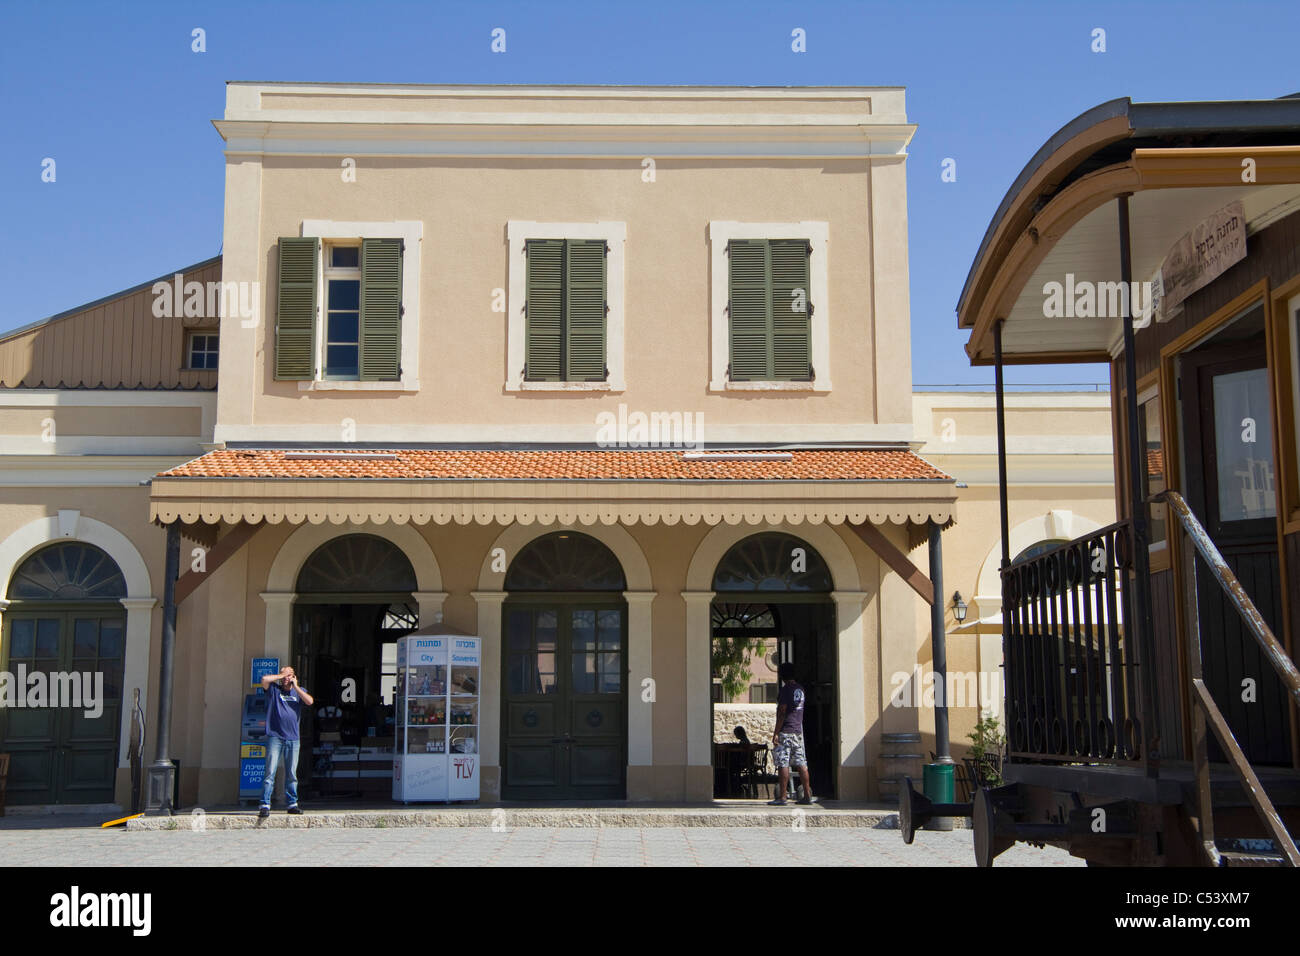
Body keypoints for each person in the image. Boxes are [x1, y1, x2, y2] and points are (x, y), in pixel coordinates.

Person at [258, 666, 314, 818]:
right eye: (284, 675)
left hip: (293, 738)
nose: (285, 678)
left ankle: (292, 804)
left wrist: (295, 685)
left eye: (289, 675)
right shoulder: (274, 690)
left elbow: (309, 701)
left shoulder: (298, 690)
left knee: (291, 773)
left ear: (294, 676)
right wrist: (280, 675)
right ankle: (265, 804)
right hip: (275, 737)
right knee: (270, 771)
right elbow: (263, 680)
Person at [769, 662, 815, 806]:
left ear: (782, 675)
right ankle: (807, 796)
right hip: (798, 731)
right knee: (801, 763)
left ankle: (783, 797)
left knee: (783, 763)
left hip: (786, 731)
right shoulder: (800, 689)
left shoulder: (785, 690)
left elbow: (782, 712)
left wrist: (776, 733)